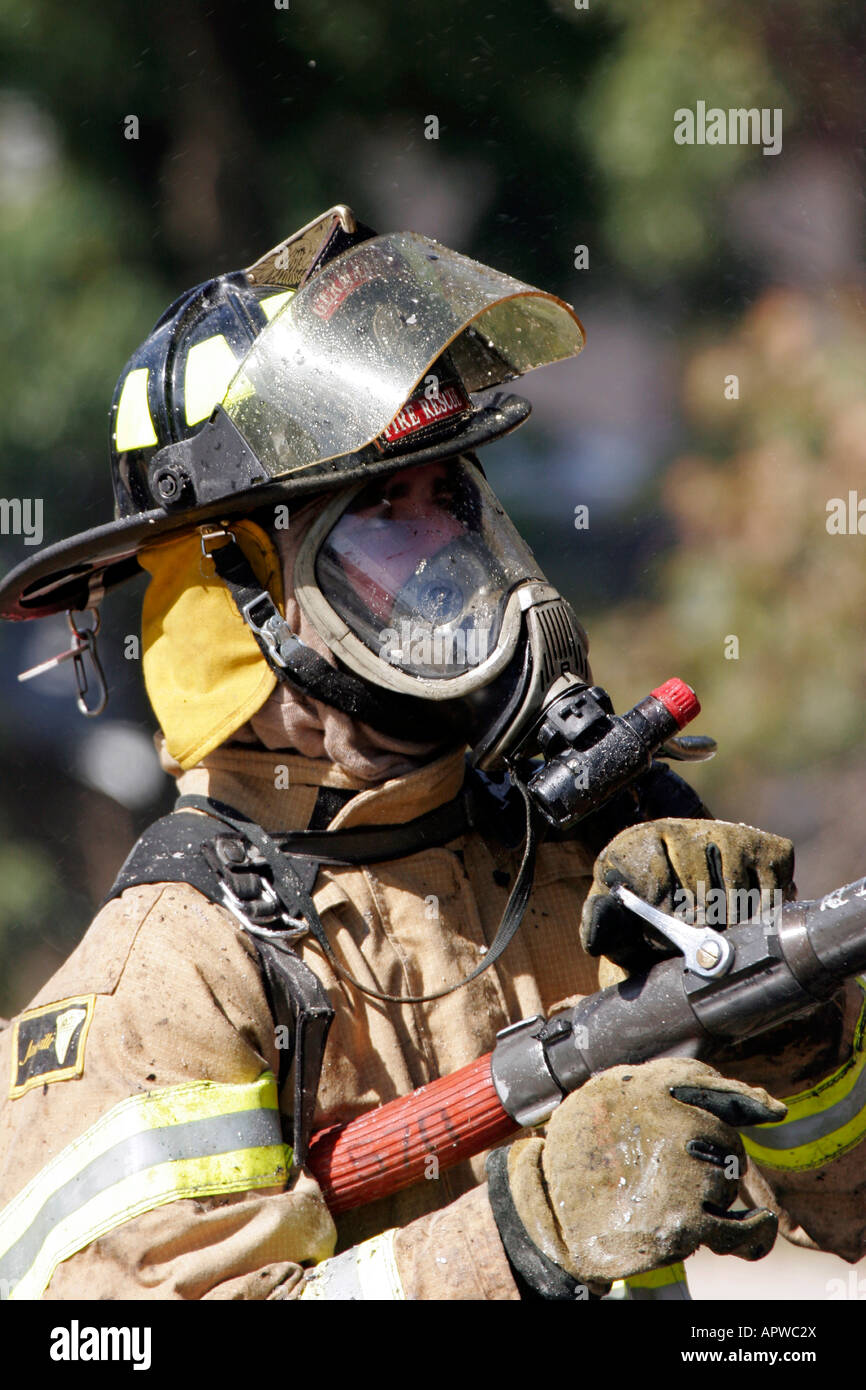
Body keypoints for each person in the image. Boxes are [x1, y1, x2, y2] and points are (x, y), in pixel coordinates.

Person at [0, 206, 862, 1302]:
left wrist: (791, 1027)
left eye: (448, 500)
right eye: (380, 512)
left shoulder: (578, 854)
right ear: (241, 597)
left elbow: (849, 1207)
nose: (443, 555)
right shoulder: (176, 969)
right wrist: (513, 1239)